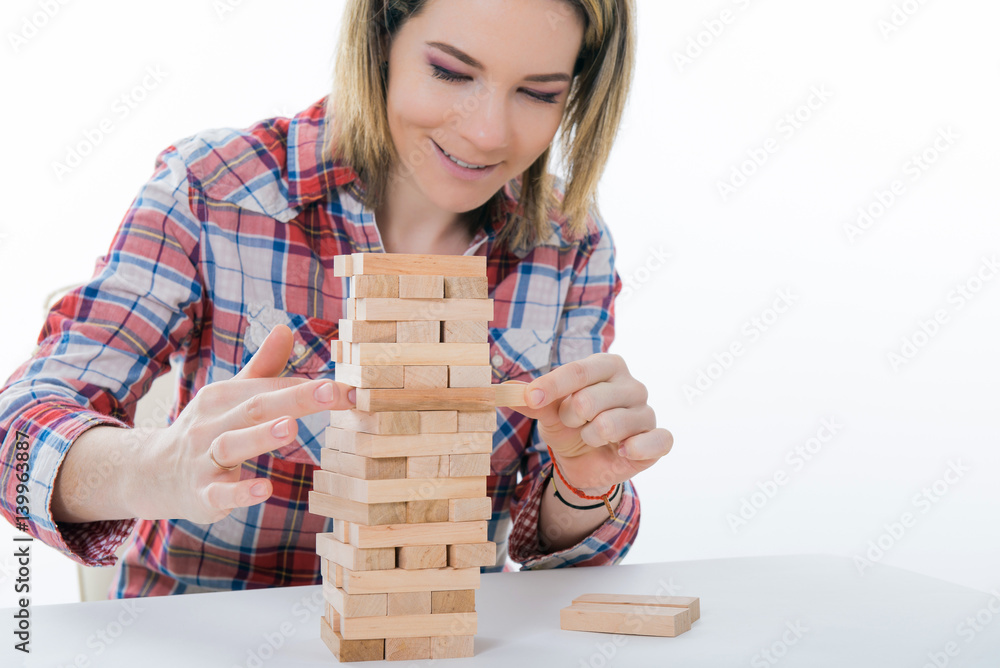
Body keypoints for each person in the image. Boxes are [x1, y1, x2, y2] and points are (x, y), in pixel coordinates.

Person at [0, 0, 672, 598]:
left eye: (538, 92)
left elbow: (564, 559)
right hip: (201, 635)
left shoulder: (570, 243)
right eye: (450, 72)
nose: (489, 132)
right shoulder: (213, 188)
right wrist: (157, 465)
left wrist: (582, 487)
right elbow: (16, 439)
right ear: (381, 38)